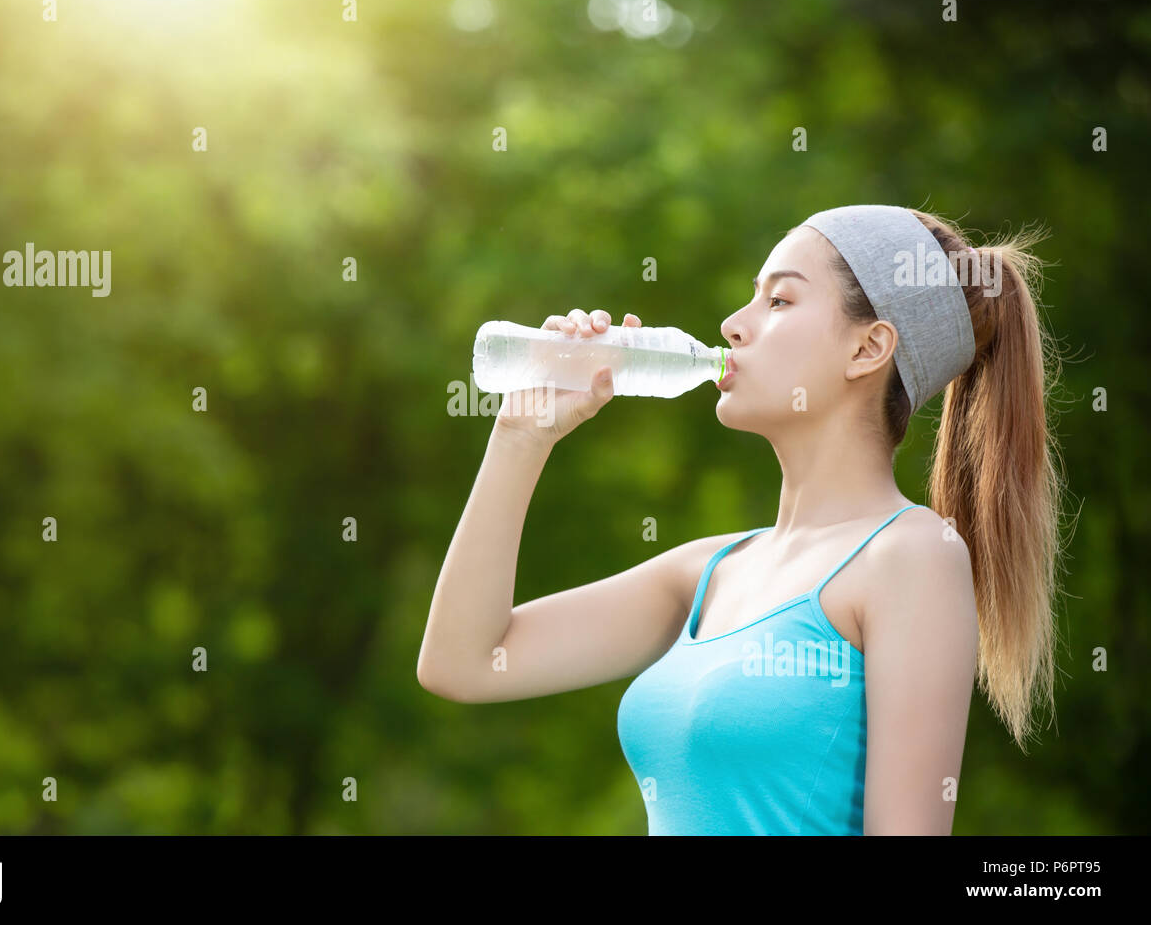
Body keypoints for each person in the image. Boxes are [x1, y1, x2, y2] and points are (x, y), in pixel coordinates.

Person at [418, 205, 1065, 834]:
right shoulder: (708, 572)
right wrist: (519, 436)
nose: (732, 324)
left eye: (778, 301)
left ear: (868, 349)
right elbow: (464, 662)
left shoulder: (911, 556)